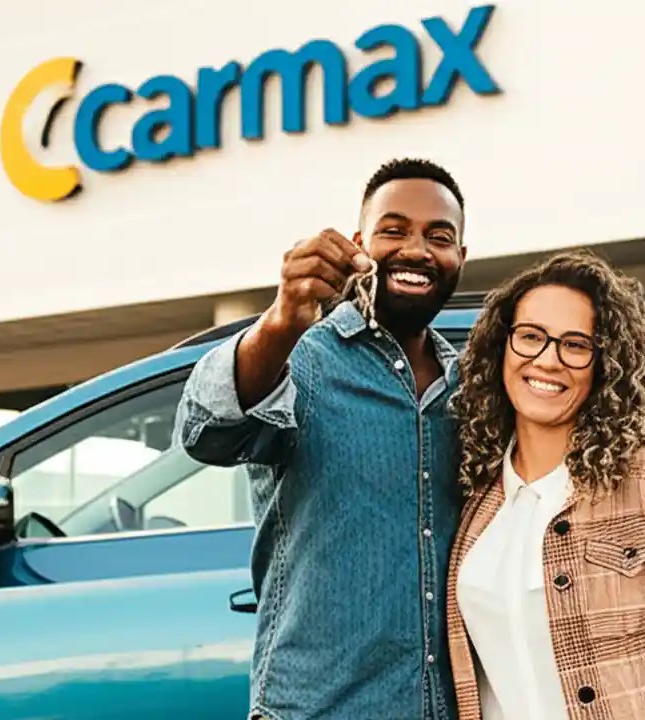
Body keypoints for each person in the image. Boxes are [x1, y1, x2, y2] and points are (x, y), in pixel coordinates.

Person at [175, 158, 471, 719]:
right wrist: (283, 318)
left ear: (461, 258)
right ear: (359, 245)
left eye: (440, 236)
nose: (417, 249)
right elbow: (203, 431)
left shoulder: (472, 390)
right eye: (394, 230)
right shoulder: (299, 357)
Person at [445, 250, 645, 720]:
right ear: (501, 347)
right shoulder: (474, 496)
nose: (548, 360)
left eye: (576, 345)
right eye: (530, 337)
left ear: (605, 365)